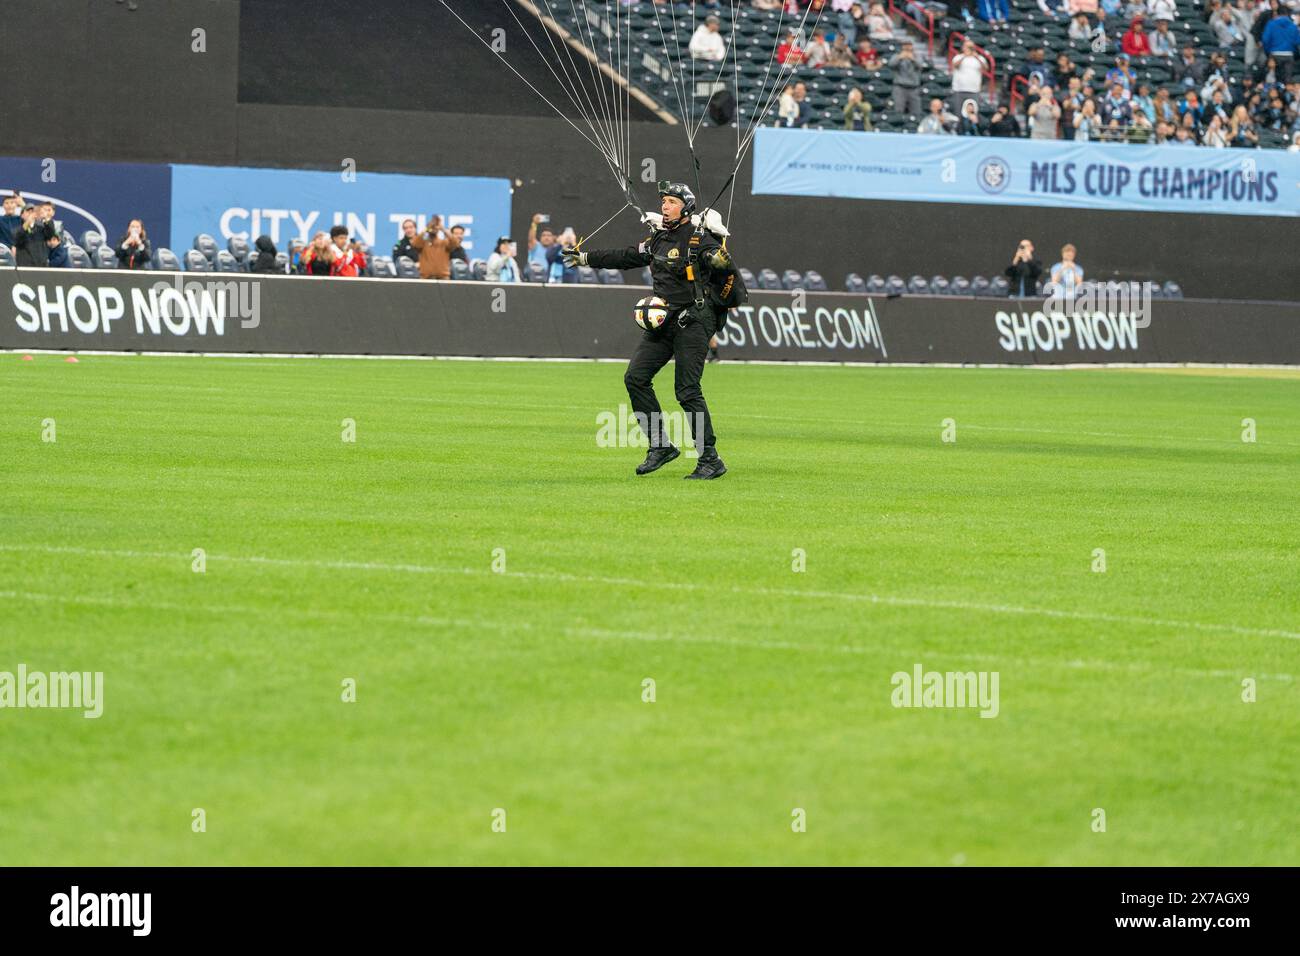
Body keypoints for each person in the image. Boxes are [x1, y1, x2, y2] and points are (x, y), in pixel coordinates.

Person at [561, 181, 742, 480]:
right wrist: (585, 258)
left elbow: (724, 267)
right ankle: (660, 446)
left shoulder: (700, 239)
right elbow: (628, 256)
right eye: (664, 202)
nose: (665, 206)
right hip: (663, 322)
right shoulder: (659, 239)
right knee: (635, 378)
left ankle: (710, 458)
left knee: (686, 391)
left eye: (671, 201)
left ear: (685, 207)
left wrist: (720, 260)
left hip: (693, 321)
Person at [409, 214, 459, 280]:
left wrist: (443, 229)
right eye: (432, 227)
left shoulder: (444, 243)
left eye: (436, 227)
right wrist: (427, 228)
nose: (433, 228)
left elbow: (455, 243)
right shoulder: (423, 243)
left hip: (443, 278)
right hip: (426, 278)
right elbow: (414, 244)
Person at [889, 42, 923, 117]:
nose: (907, 48)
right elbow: (891, 64)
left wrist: (912, 59)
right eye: (905, 46)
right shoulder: (897, 55)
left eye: (909, 46)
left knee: (916, 112)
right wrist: (900, 58)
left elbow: (921, 65)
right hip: (900, 87)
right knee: (898, 111)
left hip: (914, 88)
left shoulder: (917, 56)